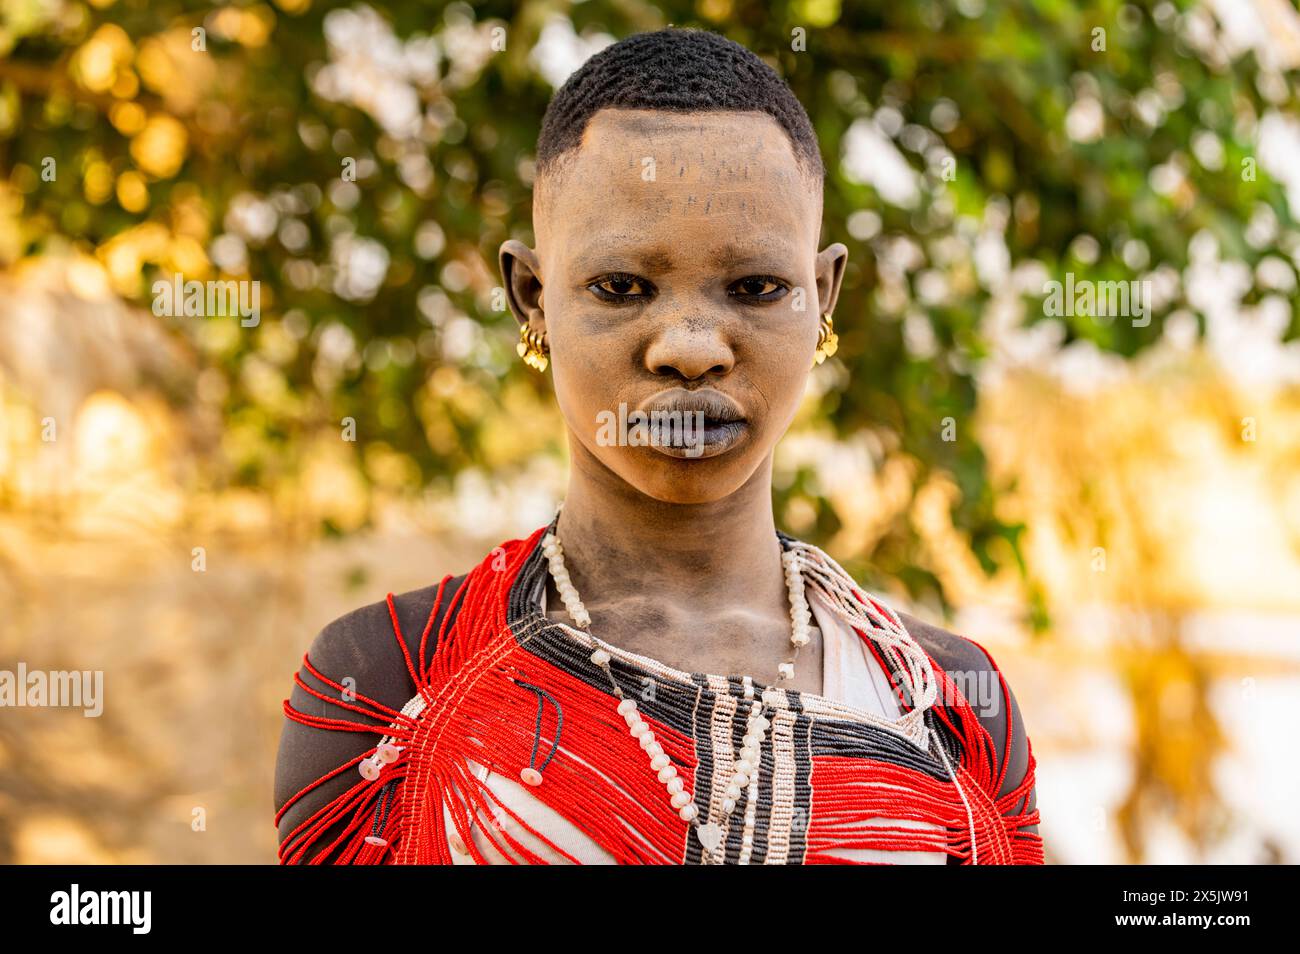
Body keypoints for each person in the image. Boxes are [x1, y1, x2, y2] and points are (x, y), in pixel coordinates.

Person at [274, 27, 1042, 865]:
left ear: (822, 300)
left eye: (755, 288)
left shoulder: (948, 708)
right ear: (532, 298)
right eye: (620, 287)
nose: (688, 347)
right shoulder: (393, 686)